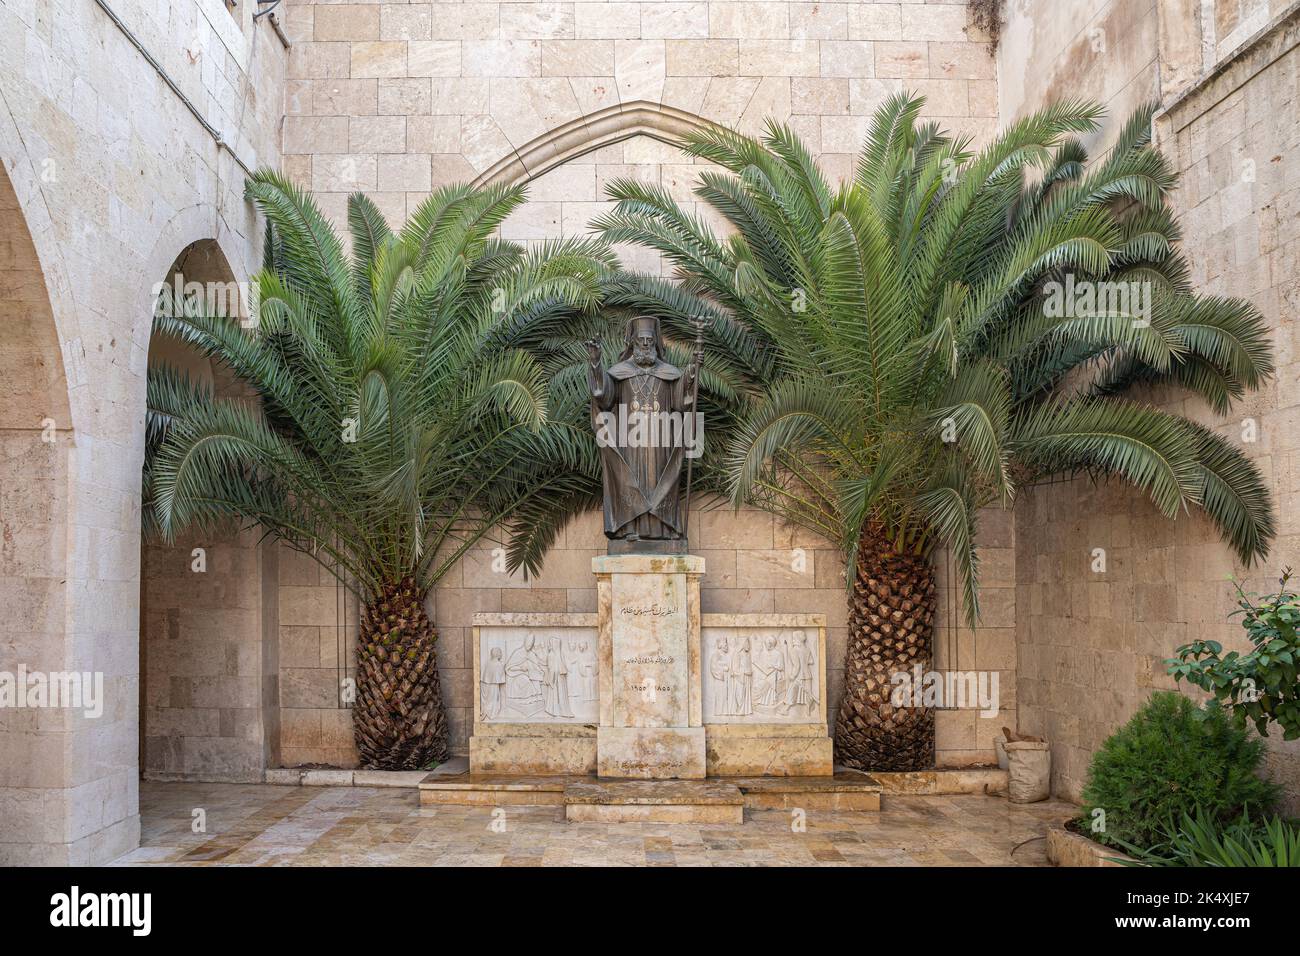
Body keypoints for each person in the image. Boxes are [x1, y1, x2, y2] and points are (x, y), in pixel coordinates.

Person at [543, 636, 574, 718]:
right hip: (554, 678)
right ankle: (554, 710)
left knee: (560, 694)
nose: (549, 646)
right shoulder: (551, 655)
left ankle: (561, 711)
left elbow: (562, 666)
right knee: (555, 694)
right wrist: (551, 678)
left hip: (560, 677)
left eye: (550, 644)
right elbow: (550, 668)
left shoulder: (560, 654)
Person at [480, 646, 506, 720]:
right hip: (492, 685)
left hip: (485, 684)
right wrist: (503, 666)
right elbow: (500, 676)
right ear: (498, 654)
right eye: (500, 652)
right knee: (493, 699)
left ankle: (485, 712)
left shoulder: (487, 663)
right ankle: (491, 714)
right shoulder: (498, 664)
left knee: (487, 700)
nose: (501, 654)